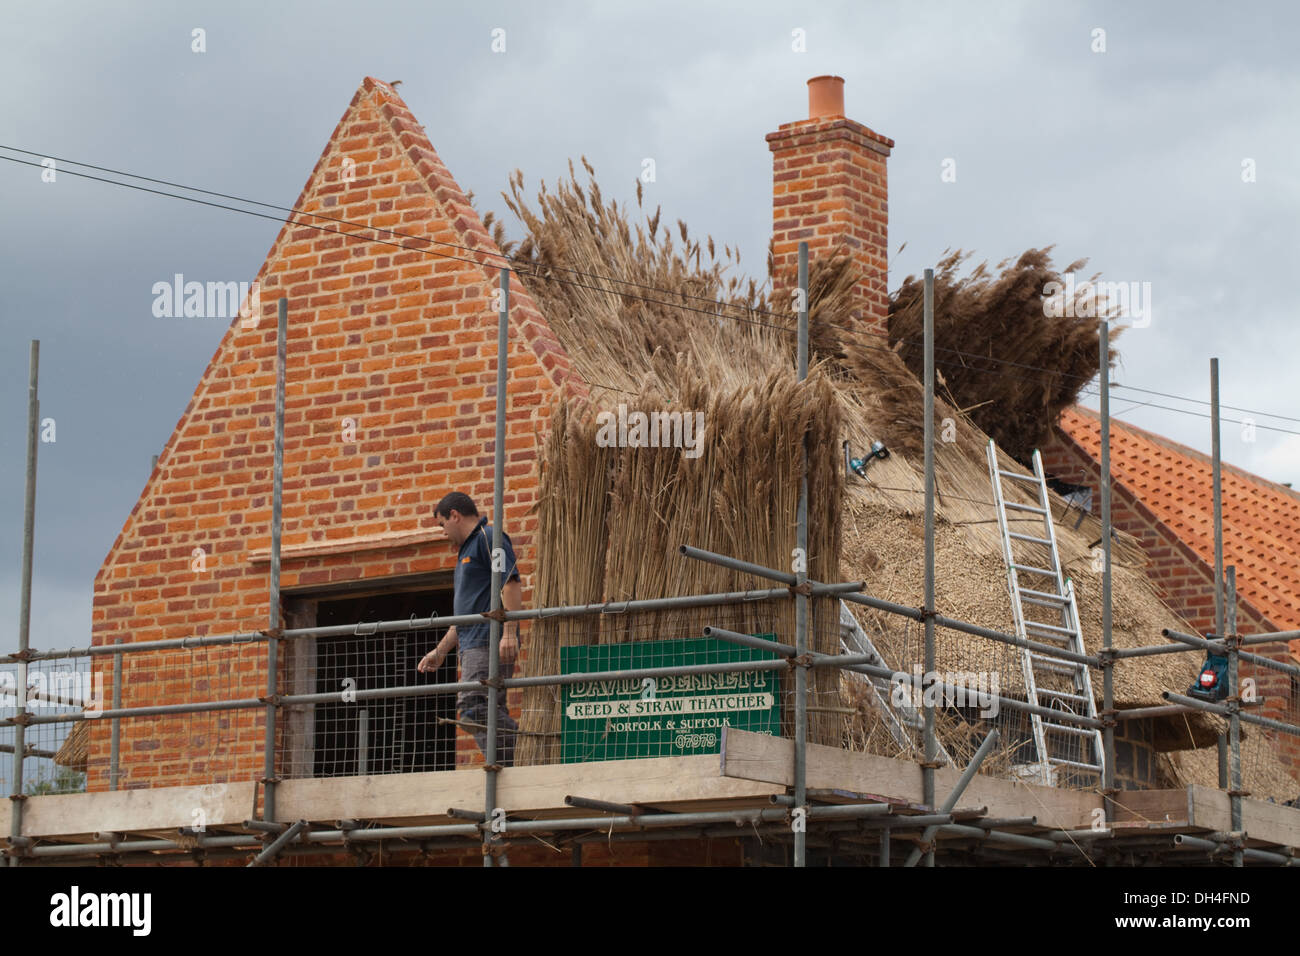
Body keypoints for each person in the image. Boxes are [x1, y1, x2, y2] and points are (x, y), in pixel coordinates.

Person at [418, 492, 522, 766]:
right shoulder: (466, 552)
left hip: (487, 640)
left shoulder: (488, 538)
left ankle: (521, 755)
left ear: (454, 515)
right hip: (471, 643)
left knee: (474, 708)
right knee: (485, 708)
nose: (443, 533)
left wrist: (509, 631)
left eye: (442, 524)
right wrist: (440, 652)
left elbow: (510, 583)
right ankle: (505, 768)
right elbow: (462, 616)